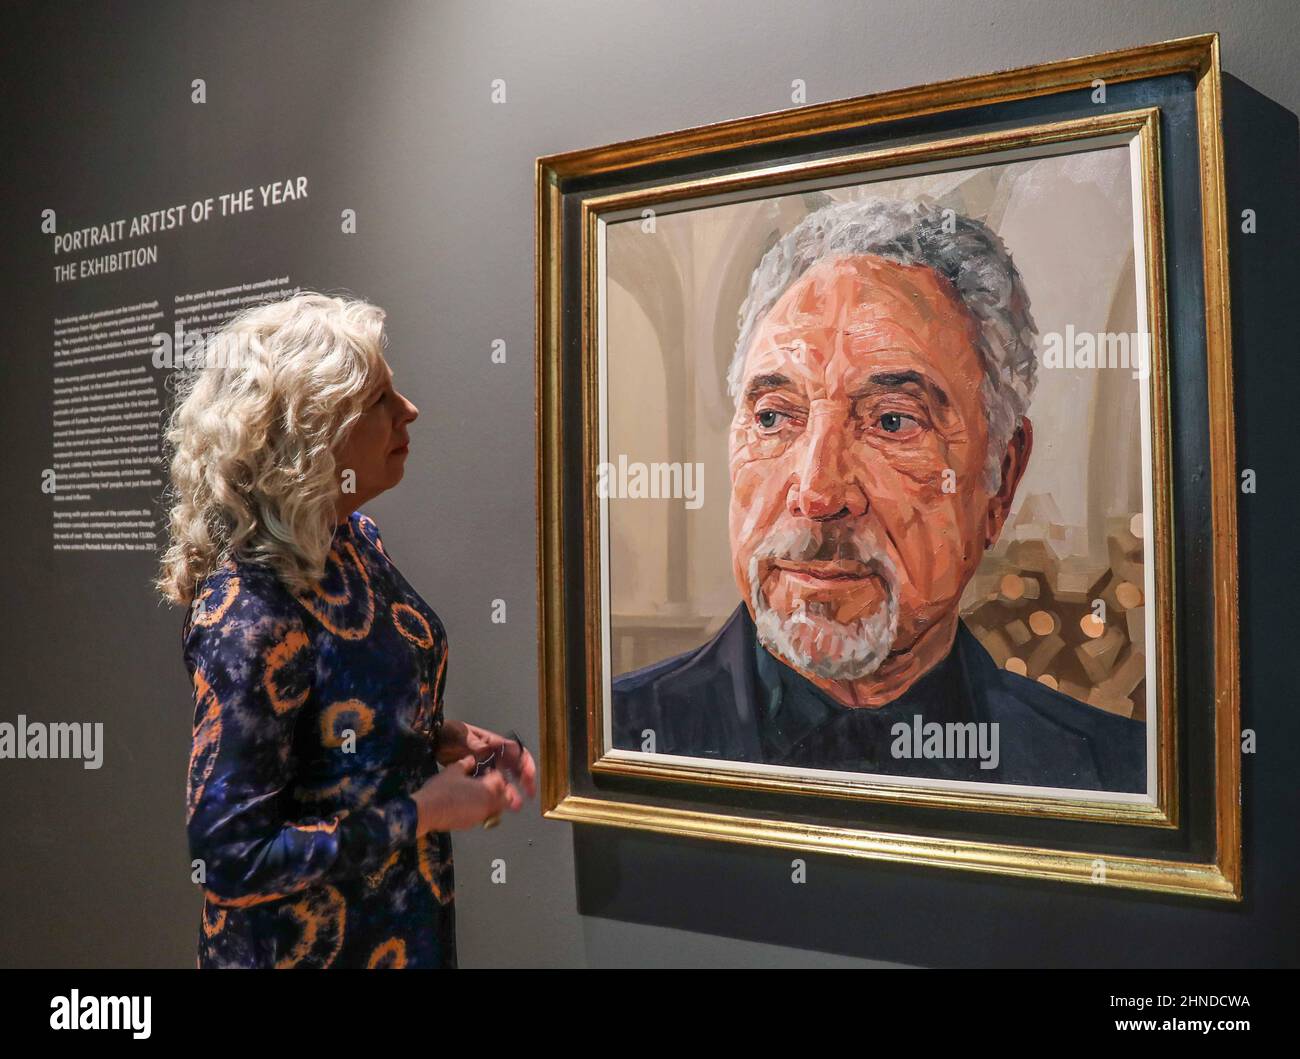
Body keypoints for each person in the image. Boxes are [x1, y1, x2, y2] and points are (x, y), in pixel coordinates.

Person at [612, 198, 1145, 792]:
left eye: (893, 422)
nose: (817, 493)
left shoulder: (1117, 777)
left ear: (1002, 478)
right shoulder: (613, 742)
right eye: (773, 417)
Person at [157, 292, 535, 968]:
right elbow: (232, 858)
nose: (409, 410)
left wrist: (435, 739)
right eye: (380, 399)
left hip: (400, 930)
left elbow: (332, 732)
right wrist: (419, 812)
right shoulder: (249, 609)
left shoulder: (355, 541)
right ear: (314, 432)